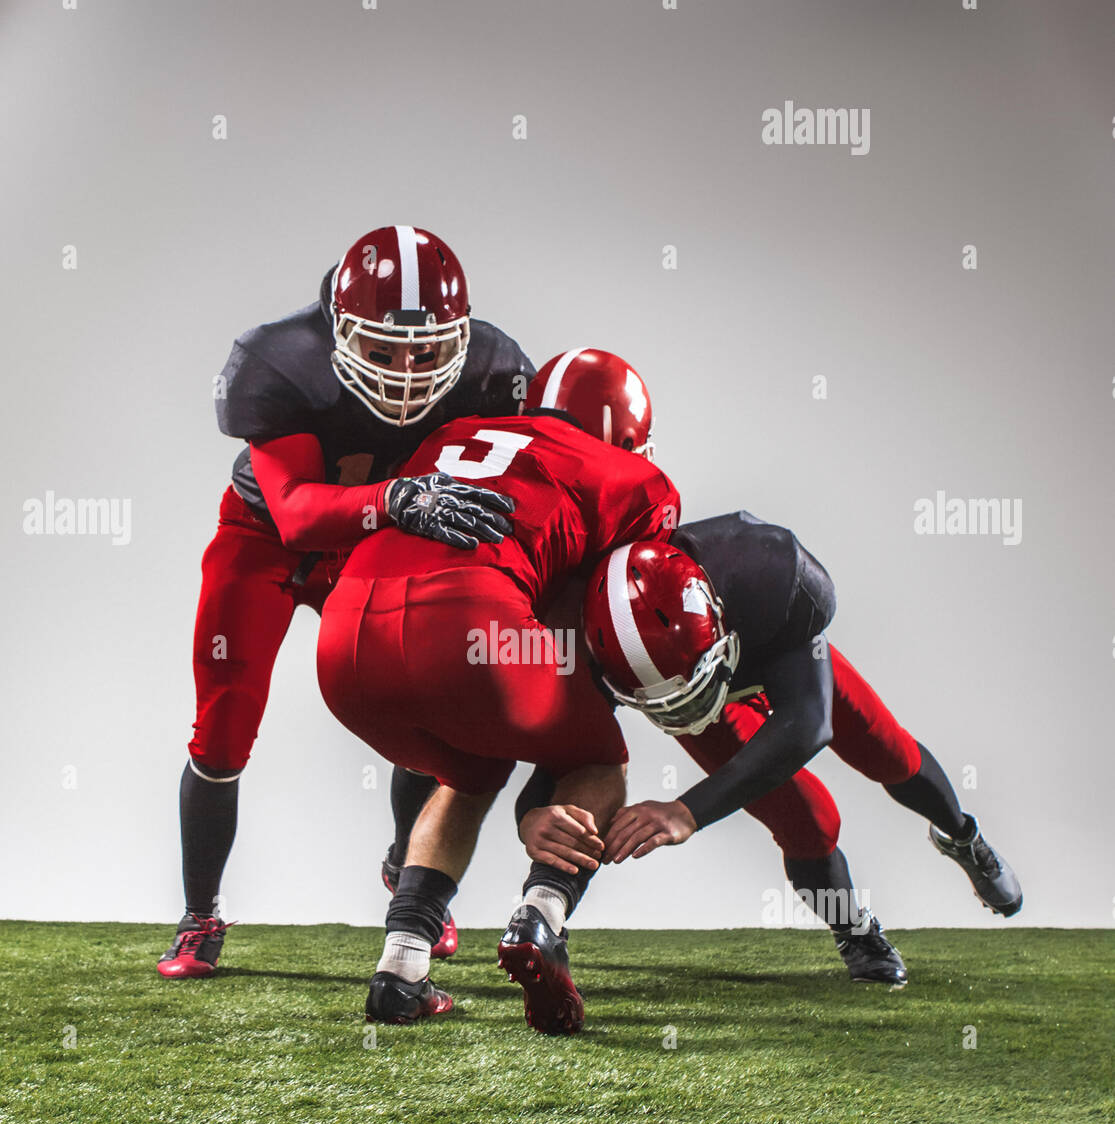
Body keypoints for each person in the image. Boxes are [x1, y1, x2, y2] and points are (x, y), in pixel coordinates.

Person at [159, 225, 532, 978]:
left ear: (460, 341)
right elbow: (295, 509)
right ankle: (200, 917)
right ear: (335, 332)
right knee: (223, 727)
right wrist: (397, 497)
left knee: (418, 701)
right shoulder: (280, 360)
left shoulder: (495, 369)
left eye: (427, 353)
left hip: (376, 544)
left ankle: (407, 866)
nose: (405, 370)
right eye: (383, 350)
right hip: (266, 539)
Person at [317, 350, 680, 1033]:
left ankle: (400, 968)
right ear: (629, 433)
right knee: (600, 761)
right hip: (469, 636)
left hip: (343, 650)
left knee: (469, 769)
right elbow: (610, 602)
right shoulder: (638, 476)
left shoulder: (450, 435)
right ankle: (540, 918)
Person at [562, 523, 1022, 985]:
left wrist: (688, 811)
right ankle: (853, 929)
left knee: (888, 751)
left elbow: (808, 724)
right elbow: (555, 759)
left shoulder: (768, 579)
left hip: (773, 653)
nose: (685, 712)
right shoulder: (582, 646)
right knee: (808, 821)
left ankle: (962, 837)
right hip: (705, 679)